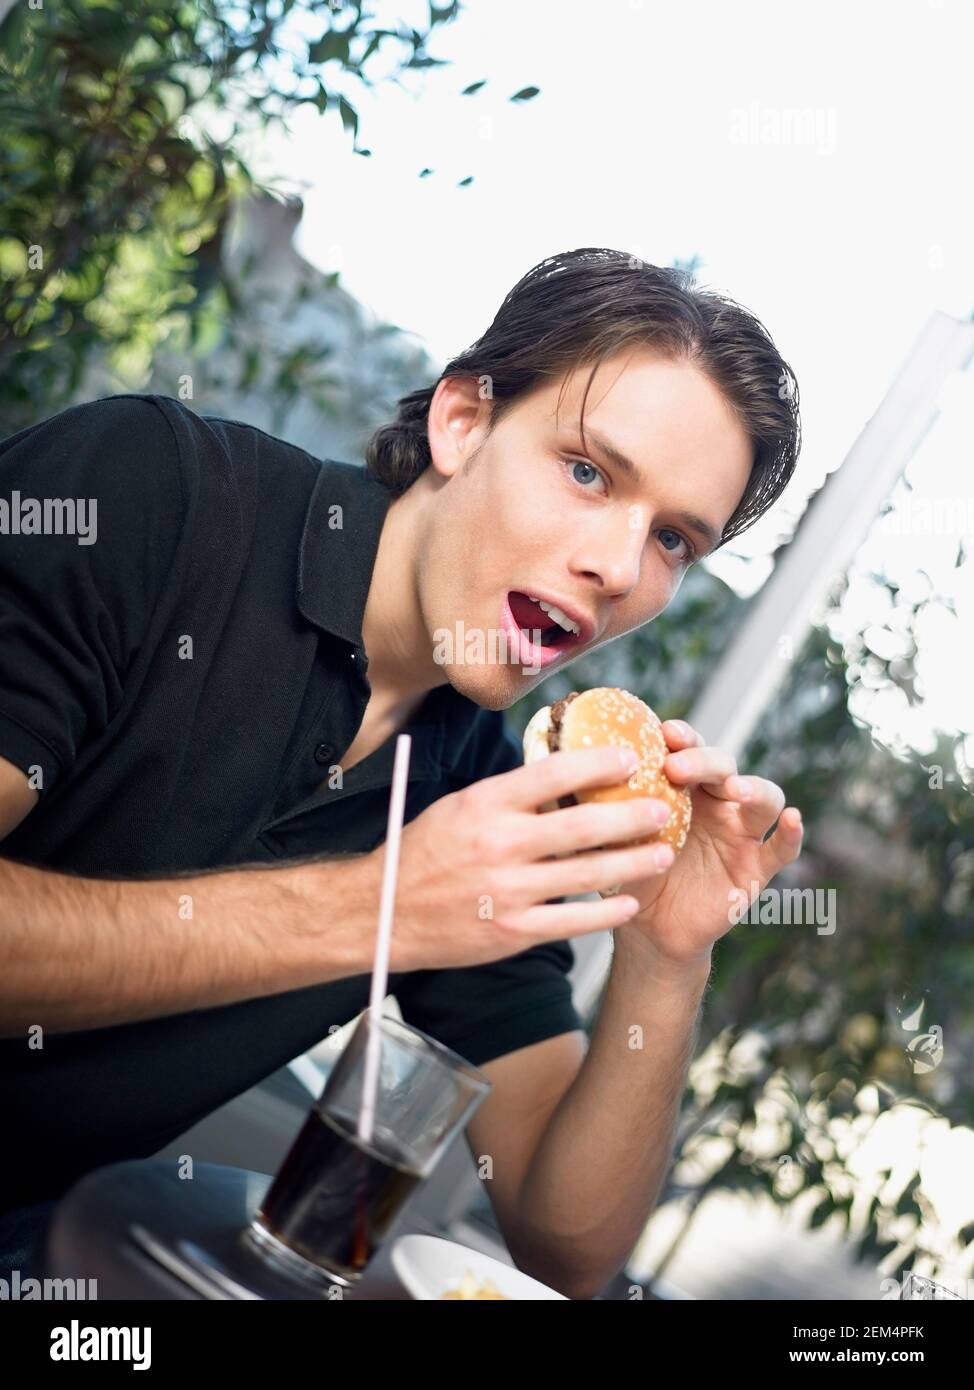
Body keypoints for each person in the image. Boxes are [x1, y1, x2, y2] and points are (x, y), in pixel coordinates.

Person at [0, 248, 804, 1298]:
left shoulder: (487, 795)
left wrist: (666, 950)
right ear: (461, 422)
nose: (615, 566)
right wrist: (380, 906)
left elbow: (561, 1240)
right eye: (586, 471)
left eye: (670, 539)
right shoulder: (149, 491)